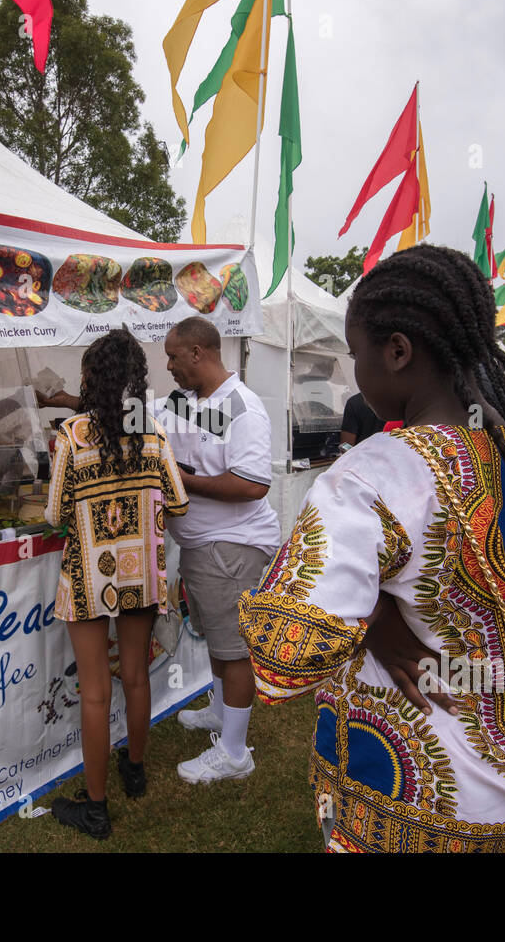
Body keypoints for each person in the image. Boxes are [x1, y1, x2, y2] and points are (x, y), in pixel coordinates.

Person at [240, 245, 505, 852]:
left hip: (416, 801)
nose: (356, 373)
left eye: (357, 356)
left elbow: (285, 658)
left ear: (398, 351)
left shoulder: (375, 473)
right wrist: (380, 616)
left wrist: (373, 617)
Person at [43, 330, 190, 839]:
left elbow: (56, 515)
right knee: (135, 676)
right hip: (142, 573)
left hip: (88, 576)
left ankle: (97, 808)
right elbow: (178, 503)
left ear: (90, 378)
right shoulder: (151, 433)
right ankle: (136, 770)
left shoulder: (71, 435)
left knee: (94, 693)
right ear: (137, 380)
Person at [156, 316, 280, 783]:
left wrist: (180, 479)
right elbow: (147, 420)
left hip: (231, 548)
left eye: (172, 355)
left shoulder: (241, 406)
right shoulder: (189, 401)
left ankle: (233, 752)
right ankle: (218, 710)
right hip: (203, 547)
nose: (167, 365)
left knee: (235, 652)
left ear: (198, 353)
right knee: (215, 640)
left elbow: (251, 485)